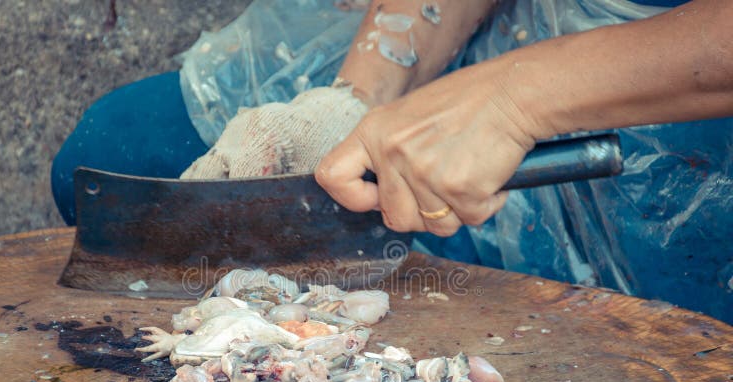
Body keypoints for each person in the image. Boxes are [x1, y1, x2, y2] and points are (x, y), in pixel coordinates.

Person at [52, 0, 733, 323]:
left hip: (688, 107)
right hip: (522, 26)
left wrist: (516, 99)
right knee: (119, 154)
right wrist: (355, 101)